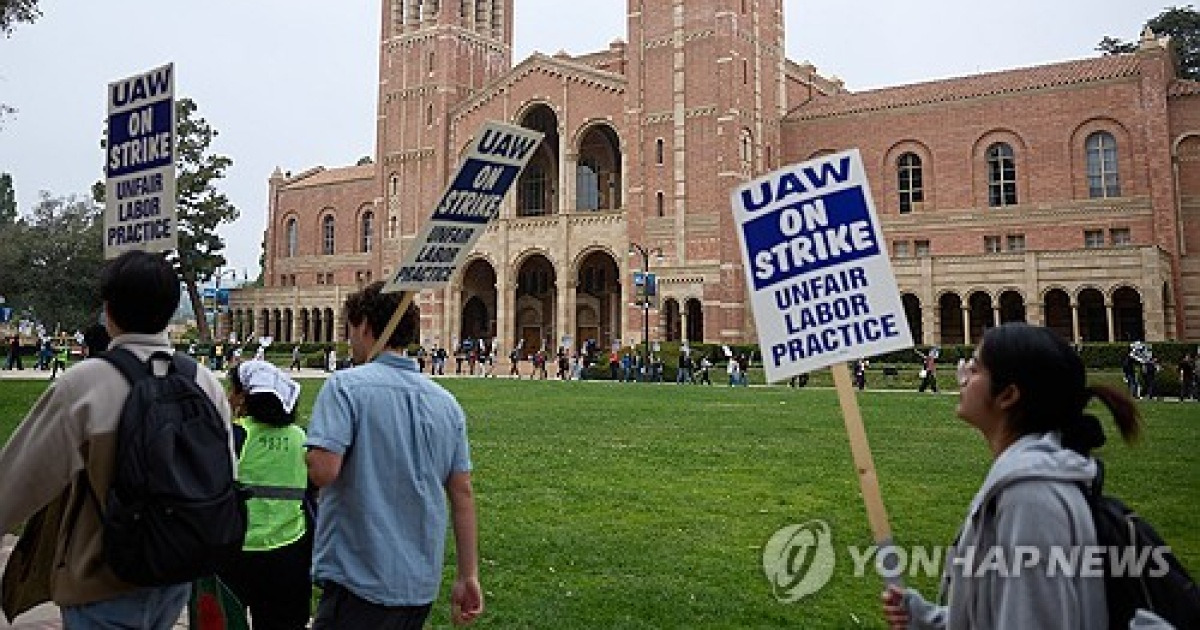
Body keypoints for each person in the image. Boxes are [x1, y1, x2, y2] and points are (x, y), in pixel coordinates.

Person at [0, 250, 234, 629]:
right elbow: (224, 475)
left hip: (101, 580)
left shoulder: (84, 385)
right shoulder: (203, 383)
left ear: (108, 309)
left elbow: (20, 479)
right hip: (174, 573)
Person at [880, 323, 1146, 630]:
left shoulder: (1031, 497)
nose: (962, 376)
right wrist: (925, 619)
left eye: (975, 369)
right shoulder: (1031, 480)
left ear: (1008, 395)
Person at [305, 281, 482, 628]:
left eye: (351, 329)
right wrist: (467, 574)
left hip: (358, 578)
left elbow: (323, 471)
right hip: (418, 586)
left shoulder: (345, 387)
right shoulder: (446, 403)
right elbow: (462, 493)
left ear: (367, 327)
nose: (350, 339)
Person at [220, 360, 312, 630]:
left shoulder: (234, 435)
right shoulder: (300, 437)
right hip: (288, 551)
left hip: (237, 553)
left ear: (243, 396)